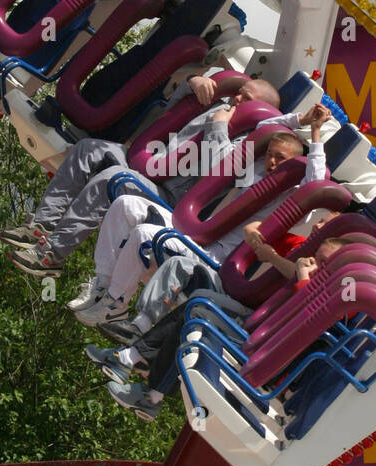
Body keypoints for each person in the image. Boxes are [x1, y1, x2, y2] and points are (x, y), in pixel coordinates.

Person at [1, 72, 284, 280]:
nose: (237, 98)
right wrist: (193, 81)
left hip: (169, 192)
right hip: (146, 160)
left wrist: (218, 127)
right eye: (240, 91)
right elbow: (171, 105)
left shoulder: (249, 144)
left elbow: (220, 170)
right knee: (88, 149)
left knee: (111, 178)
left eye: (246, 99)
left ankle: (51, 254)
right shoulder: (219, 105)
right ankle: (40, 226)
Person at [74, 105, 332, 327]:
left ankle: (115, 304)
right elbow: (265, 128)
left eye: (281, 158)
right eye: (271, 155)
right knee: (125, 204)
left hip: (214, 256)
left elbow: (317, 183)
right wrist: (301, 119)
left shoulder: (292, 201)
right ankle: (103, 282)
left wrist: (316, 132)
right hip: (193, 230)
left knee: (144, 235)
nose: (273, 162)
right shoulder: (252, 170)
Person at [97, 234, 354, 421]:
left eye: (323, 262)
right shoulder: (313, 282)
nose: (313, 263)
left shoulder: (331, 299)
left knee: (198, 312)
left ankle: (147, 388)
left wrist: (303, 277)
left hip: (261, 345)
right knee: (199, 297)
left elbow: (305, 320)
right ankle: (131, 361)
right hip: (255, 324)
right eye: (316, 257)